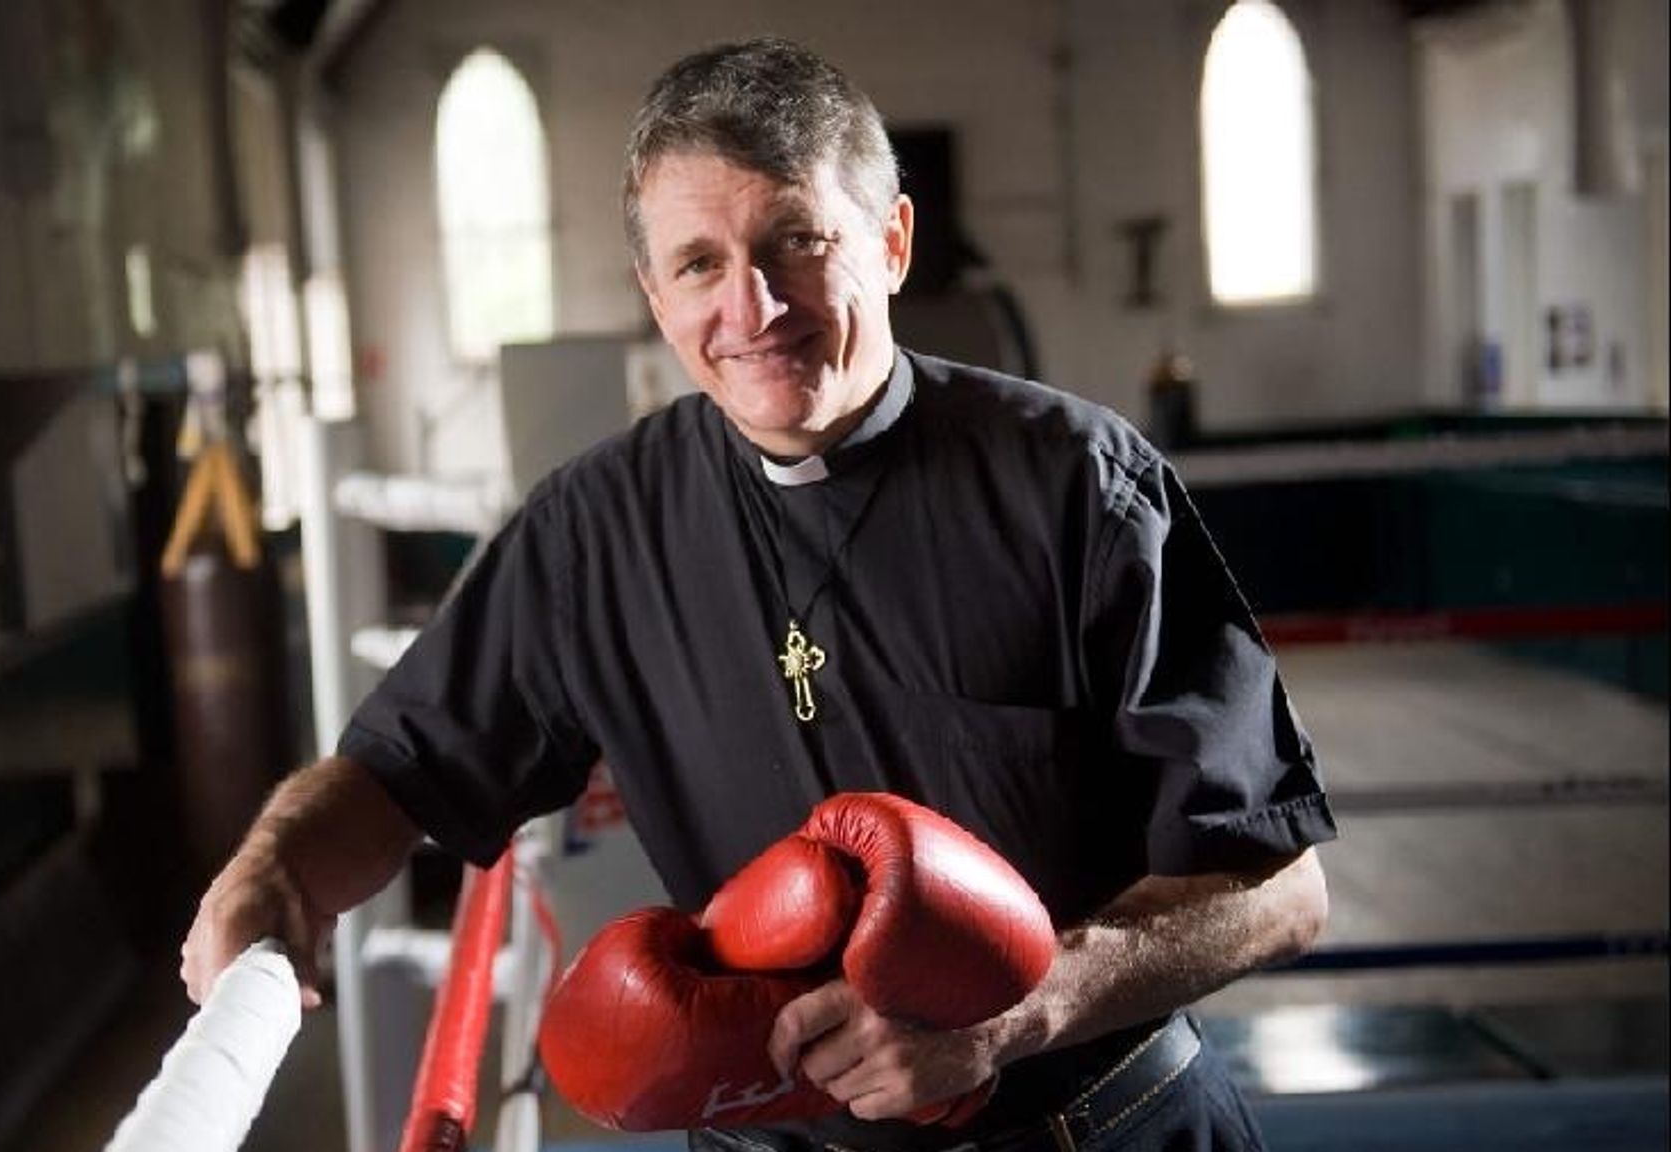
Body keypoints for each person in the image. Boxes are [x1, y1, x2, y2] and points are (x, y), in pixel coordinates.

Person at [181, 36, 1335, 1152]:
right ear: (652, 291)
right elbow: (395, 773)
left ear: (889, 242)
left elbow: (1278, 888)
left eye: (795, 243)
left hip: (1095, 1128)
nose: (753, 309)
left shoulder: (1077, 484)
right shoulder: (594, 533)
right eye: (699, 265)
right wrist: (273, 869)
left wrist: (1016, 1010)